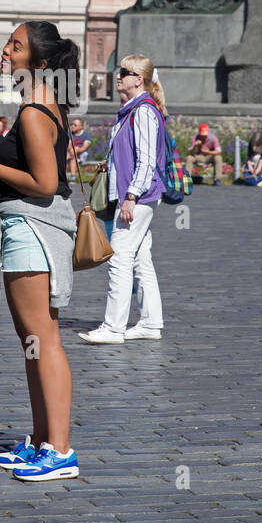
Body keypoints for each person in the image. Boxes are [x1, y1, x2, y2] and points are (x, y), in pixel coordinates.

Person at [0, 22, 81, 481]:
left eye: (16, 45)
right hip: (30, 226)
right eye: (9, 41)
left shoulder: (32, 109)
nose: (6, 50)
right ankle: (43, 440)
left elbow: (46, 183)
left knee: (42, 339)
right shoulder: (40, 101)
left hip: (33, 226)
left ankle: (60, 450)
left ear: (40, 62)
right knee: (33, 343)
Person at [79, 54, 167, 345]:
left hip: (138, 196)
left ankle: (113, 327)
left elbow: (146, 160)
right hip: (137, 195)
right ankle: (150, 323)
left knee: (119, 258)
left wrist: (131, 196)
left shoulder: (142, 111)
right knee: (141, 260)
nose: (118, 76)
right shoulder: (131, 110)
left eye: (124, 72)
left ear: (138, 79)